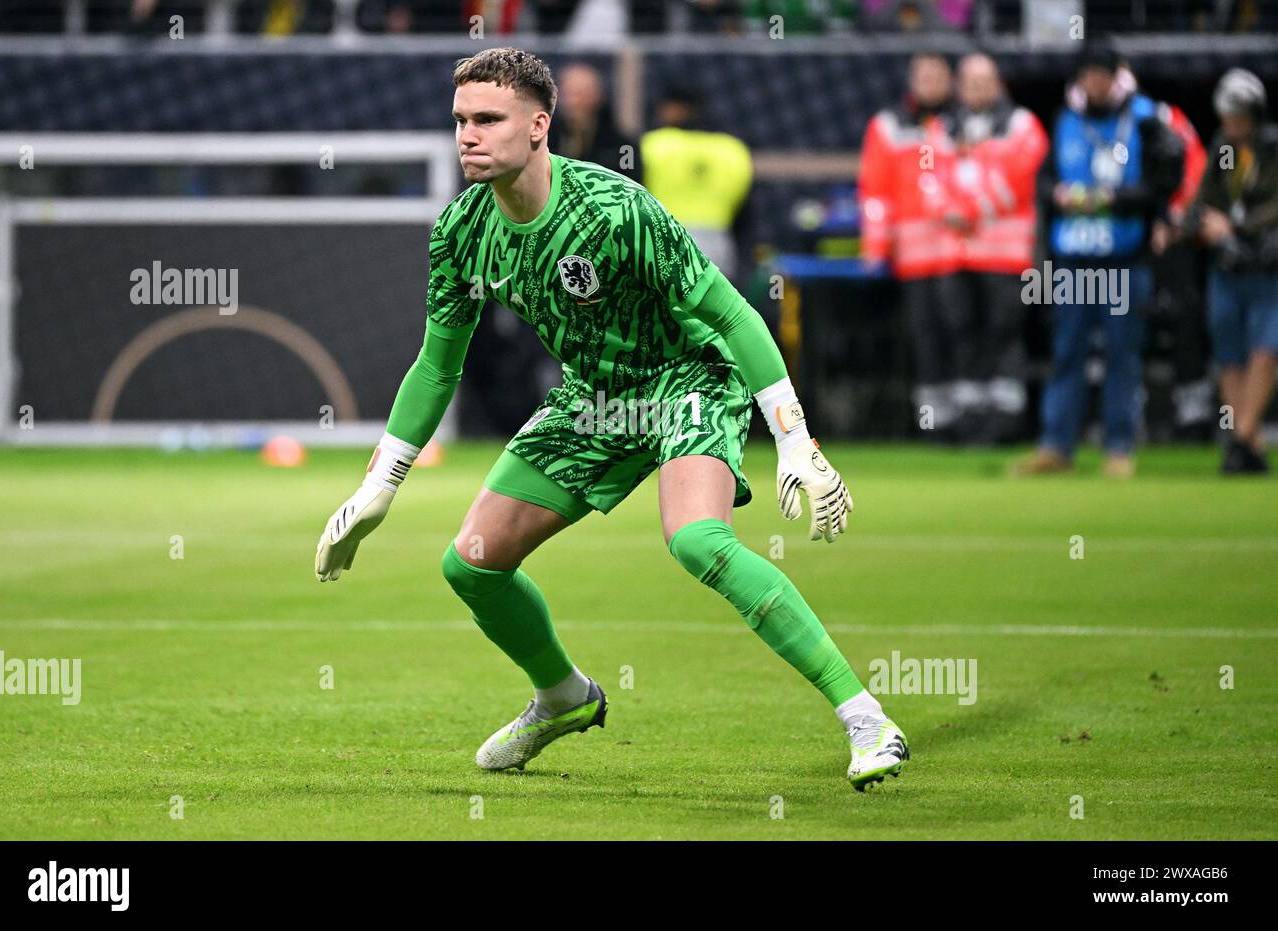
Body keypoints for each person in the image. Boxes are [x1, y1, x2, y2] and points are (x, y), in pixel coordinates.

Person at [314, 48, 909, 790]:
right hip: (594, 399)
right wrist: (380, 485)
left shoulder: (613, 208)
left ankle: (865, 717)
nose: (468, 135)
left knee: (697, 541)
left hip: (686, 380)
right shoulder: (461, 232)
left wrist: (794, 439)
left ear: (539, 125)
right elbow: (438, 366)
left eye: (488, 119)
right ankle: (563, 696)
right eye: (461, 119)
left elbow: (730, 312)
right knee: (470, 563)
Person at [1014, 43, 1183, 477]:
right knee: (1067, 352)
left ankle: (1120, 447)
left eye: (1102, 76)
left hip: (1125, 259)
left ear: (1116, 78)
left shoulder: (1145, 121)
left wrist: (1114, 199)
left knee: (1122, 355)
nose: (1095, 83)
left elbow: (1161, 185)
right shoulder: (1065, 120)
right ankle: (1057, 446)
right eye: (1088, 75)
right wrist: (1056, 194)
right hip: (1074, 259)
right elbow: (1045, 179)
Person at [939, 52, 1048, 443]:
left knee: (1005, 335)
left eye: (984, 81)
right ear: (958, 86)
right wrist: (945, 207)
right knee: (963, 335)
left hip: (1005, 256)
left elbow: (1021, 177)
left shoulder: (1021, 124)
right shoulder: (943, 128)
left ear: (998, 83)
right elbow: (928, 177)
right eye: (970, 81)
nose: (977, 89)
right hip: (957, 254)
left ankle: (1008, 422)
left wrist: (970, 209)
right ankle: (970, 422)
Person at [859, 52, 960, 438]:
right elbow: (876, 191)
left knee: (961, 336)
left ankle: (971, 423)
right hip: (915, 257)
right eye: (924, 75)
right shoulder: (888, 127)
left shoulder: (966, 123)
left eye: (938, 74)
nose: (931, 82)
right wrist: (875, 248)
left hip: (960, 255)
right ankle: (934, 426)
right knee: (925, 340)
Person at [1189, 68, 1278, 474]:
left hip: (1267, 264)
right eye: (1228, 116)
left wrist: (1237, 228)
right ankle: (1242, 440)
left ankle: (1244, 432)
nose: (1233, 124)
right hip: (1229, 265)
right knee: (1230, 354)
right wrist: (1190, 223)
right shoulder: (1223, 149)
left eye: (1239, 115)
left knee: (1266, 351)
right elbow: (1205, 200)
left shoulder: (1272, 148)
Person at [640, 86, 753, 280]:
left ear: (679, 108)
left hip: (666, 239)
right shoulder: (732, 149)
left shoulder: (653, 145)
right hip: (719, 244)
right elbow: (745, 212)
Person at [549, 62, 640, 183]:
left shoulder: (623, 147)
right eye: (568, 94)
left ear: (597, 96)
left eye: (580, 94)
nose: (573, 102)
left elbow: (631, 189)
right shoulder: (544, 141)